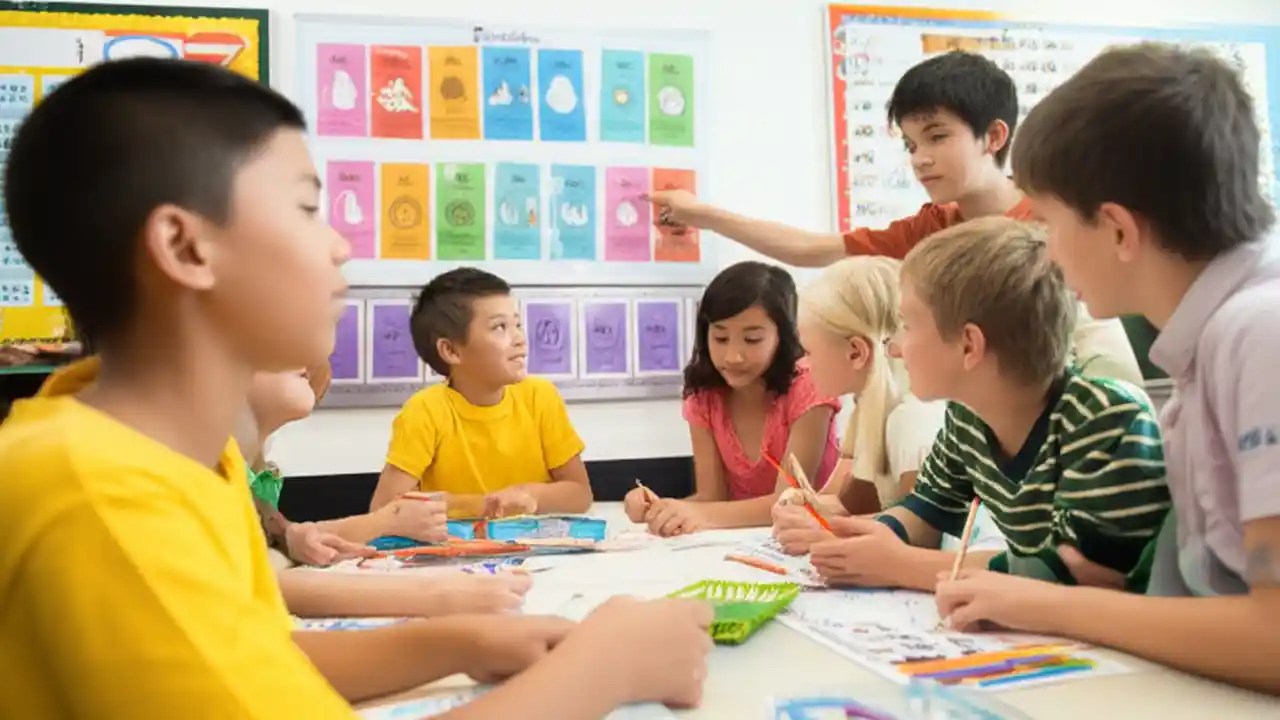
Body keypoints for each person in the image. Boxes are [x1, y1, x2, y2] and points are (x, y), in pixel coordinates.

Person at [0, 57, 712, 718]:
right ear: (187, 248)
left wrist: (457, 642)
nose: (341, 245)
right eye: (308, 208)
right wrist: (606, 669)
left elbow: (255, 654)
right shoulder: (95, 492)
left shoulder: (182, 459)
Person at [935, 43, 1280, 696]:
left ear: (1119, 231)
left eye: (1051, 225)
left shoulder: (1259, 331)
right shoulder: (1211, 336)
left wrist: (1045, 603)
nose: (1050, 255)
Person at [647, 51, 1144, 387]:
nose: (920, 158)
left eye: (936, 136)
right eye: (910, 144)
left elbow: (1105, 351)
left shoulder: (1054, 218)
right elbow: (811, 249)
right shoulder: (932, 227)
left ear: (993, 137)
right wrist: (704, 215)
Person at [782, 217, 1170, 592]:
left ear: (969, 346)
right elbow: (929, 507)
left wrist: (899, 565)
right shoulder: (966, 416)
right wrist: (858, 537)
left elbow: (1072, 573)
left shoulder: (1106, 419)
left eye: (908, 325)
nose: (896, 346)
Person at [235, 365, 532, 618]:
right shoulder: (425, 409)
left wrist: (289, 537)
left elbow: (262, 535)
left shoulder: (251, 466)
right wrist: (440, 593)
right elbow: (248, 581)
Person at [622, 262, 840, 535]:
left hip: (811, 541)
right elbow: (711, 498)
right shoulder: (704, 395)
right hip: (742, 545)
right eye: (721, 338)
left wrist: (696, 512)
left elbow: (789, 503)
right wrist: (659, 508)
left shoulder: (810, 385)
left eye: (752, 339)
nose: (733, 357)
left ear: (782, 336)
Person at [370, 268, 592, 520]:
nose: (520, 338)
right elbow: (384, 508)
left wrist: (529, 495)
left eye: (516, 324)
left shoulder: (540, 397)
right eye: (499, 327)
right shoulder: (425, 411)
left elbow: (580, 494)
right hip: (456, 555)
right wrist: (483, 505)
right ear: (451, 351)